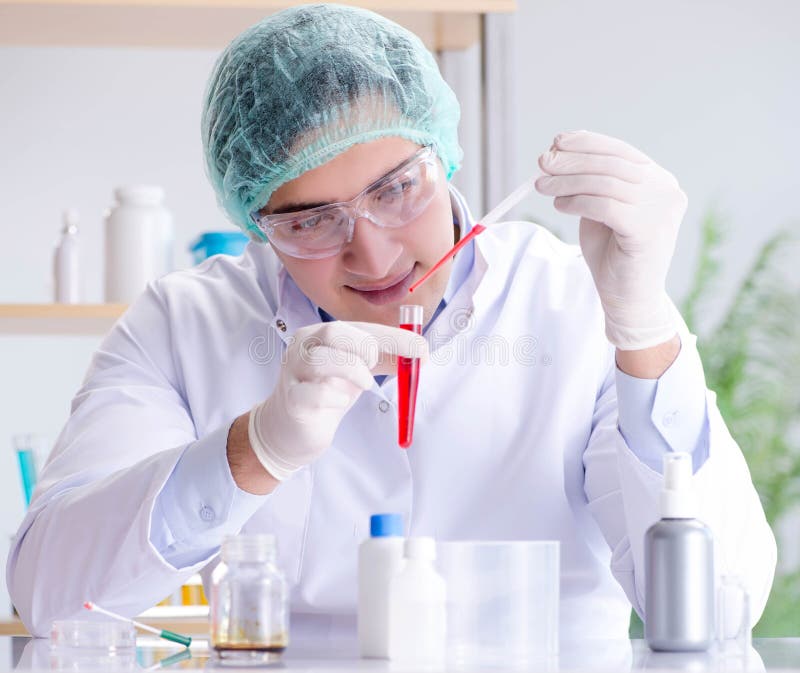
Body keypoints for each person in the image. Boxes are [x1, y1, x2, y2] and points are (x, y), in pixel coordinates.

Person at [8, 3, 775, 641]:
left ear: (444, 155)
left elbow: (723, 604)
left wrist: (643, 332)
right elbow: (48, 595)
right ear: (253, 222)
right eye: (310, 221)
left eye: (397, 187)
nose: (371, 253)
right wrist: (252, 452)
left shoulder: (575, 301)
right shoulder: (185, 323)